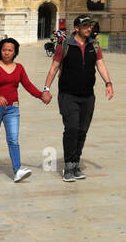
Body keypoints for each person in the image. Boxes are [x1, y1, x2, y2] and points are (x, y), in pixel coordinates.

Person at [42, 15, 114, 183]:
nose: (89, 29)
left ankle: (76, 163)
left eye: (90, 26)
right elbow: (54, 68)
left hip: (88, 95)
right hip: (68, 95)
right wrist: (46, 89)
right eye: (85, 26)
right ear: (77, 29)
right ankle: (68, 164)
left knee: (82, 130)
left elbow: (101, 64)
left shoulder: (94, 45)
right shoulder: (65, 45)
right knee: (72, 128)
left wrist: (108, 83)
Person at [0, 37, 49, 183]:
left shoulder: (19, 68)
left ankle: (17, 170)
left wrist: (41, 96)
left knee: (13, 140)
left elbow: (28, 85)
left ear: (15, 52)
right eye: (4, 50)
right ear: (0, 51)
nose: (6, 53)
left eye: (10, 50)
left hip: (12, 109)